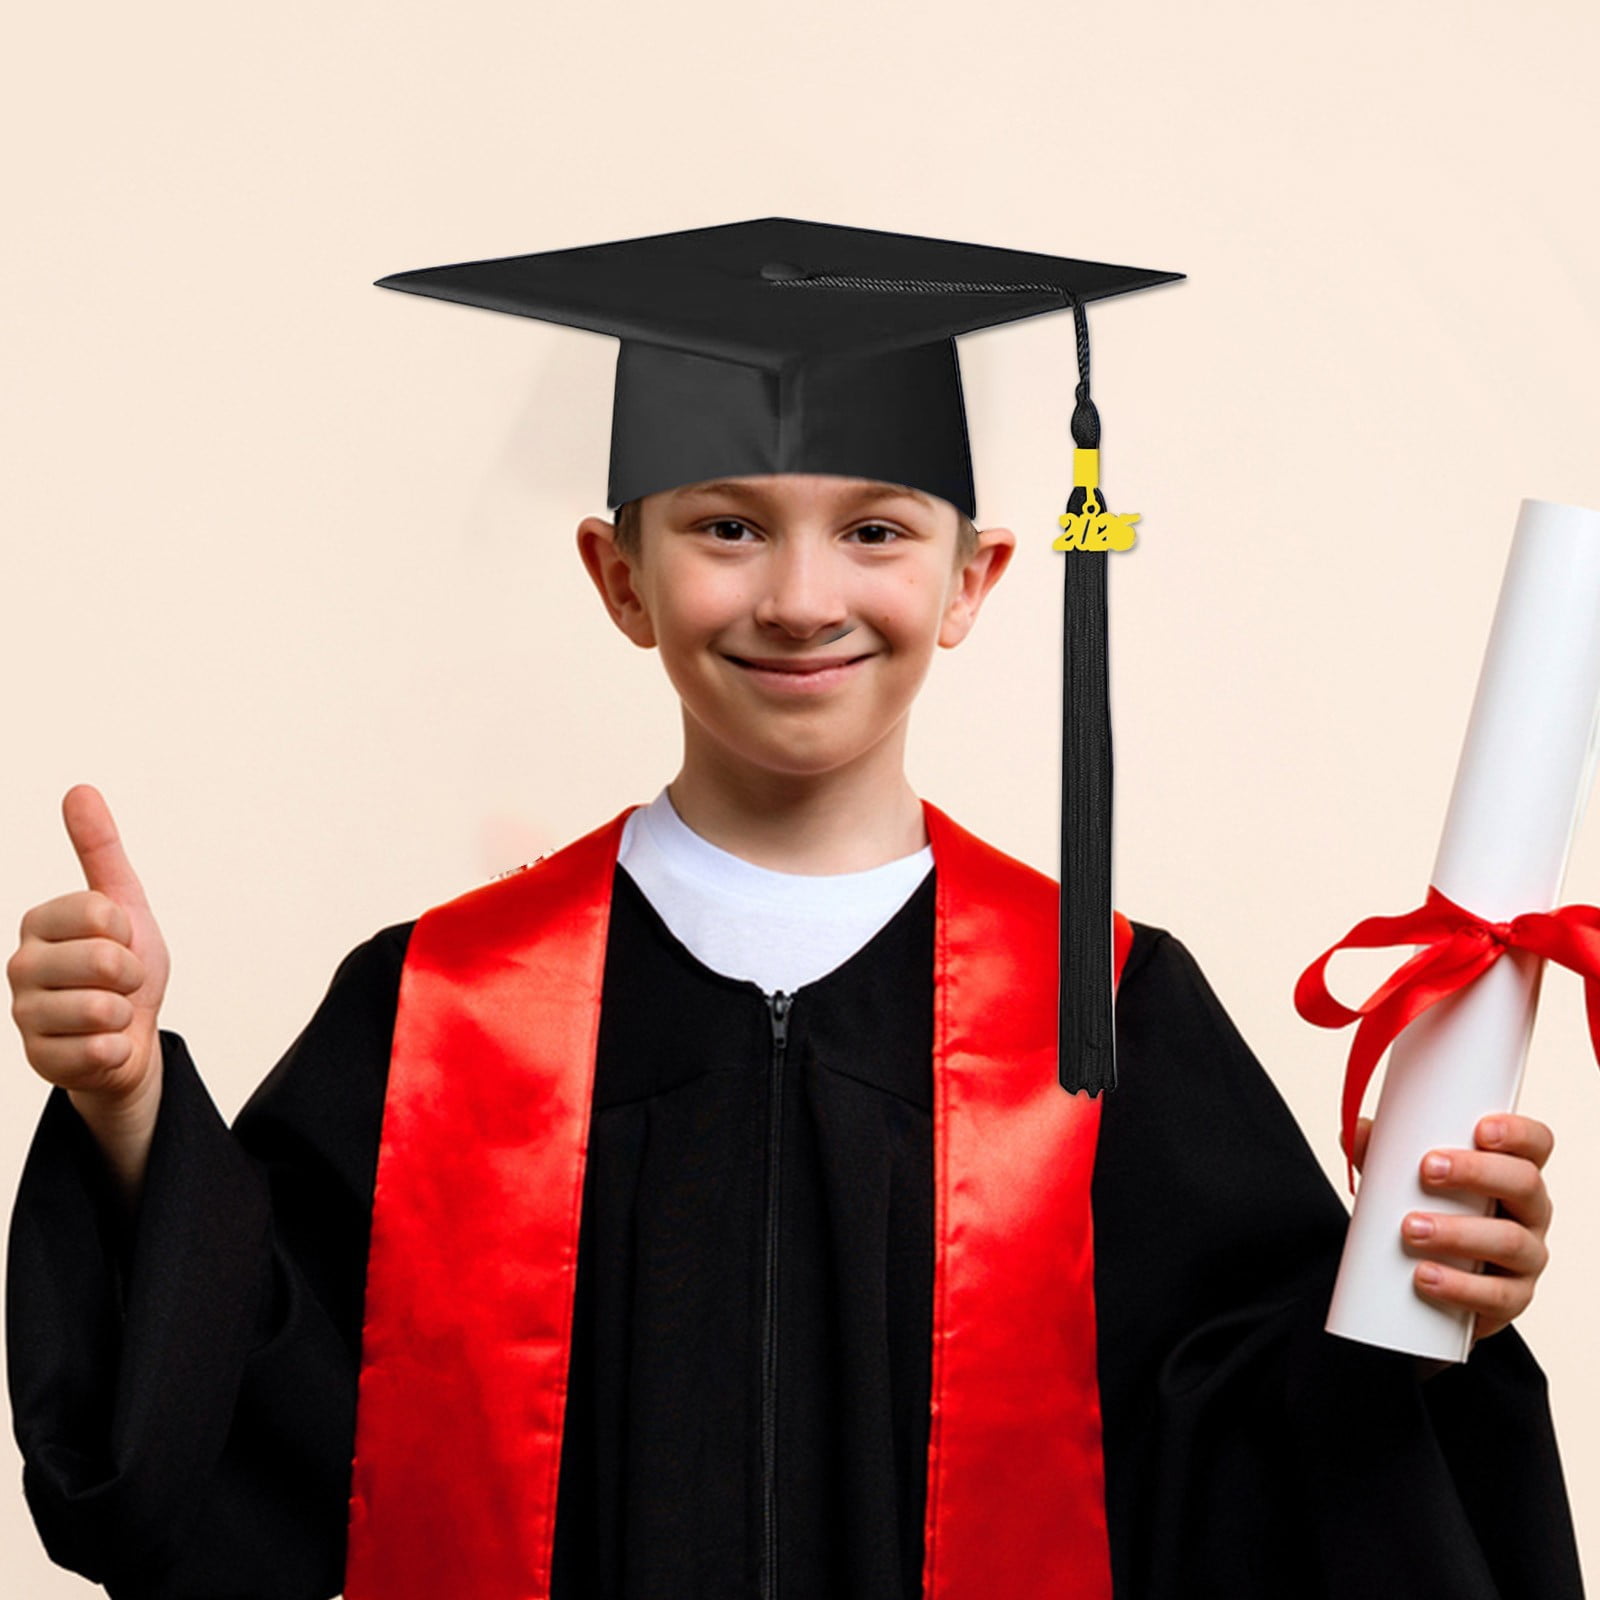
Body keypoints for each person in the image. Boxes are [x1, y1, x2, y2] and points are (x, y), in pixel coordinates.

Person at [6, 220, 1585, 1600]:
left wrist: (1431, 1300)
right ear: (619, 576)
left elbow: (1264, 1474)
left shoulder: (1101, 1014)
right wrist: (132, 1106)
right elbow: (250, 1437)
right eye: (726, 525)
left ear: (977, 580)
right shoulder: (442, 1005)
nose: (801, 597)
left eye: (878, 529)